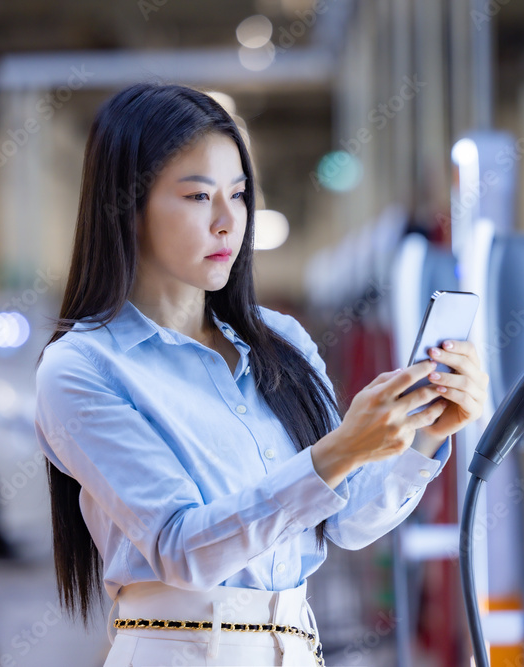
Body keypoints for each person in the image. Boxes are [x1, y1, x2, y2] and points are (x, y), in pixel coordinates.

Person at [33, 82, 489, 667]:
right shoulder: (83, 367)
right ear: (128, 206)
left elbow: (347, 521)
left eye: (239, 194)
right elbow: (183, 549)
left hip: (296, 645)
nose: (229, 221)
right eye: (198, 197)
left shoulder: (281, 343)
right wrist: (341, 450)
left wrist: (426, 428)